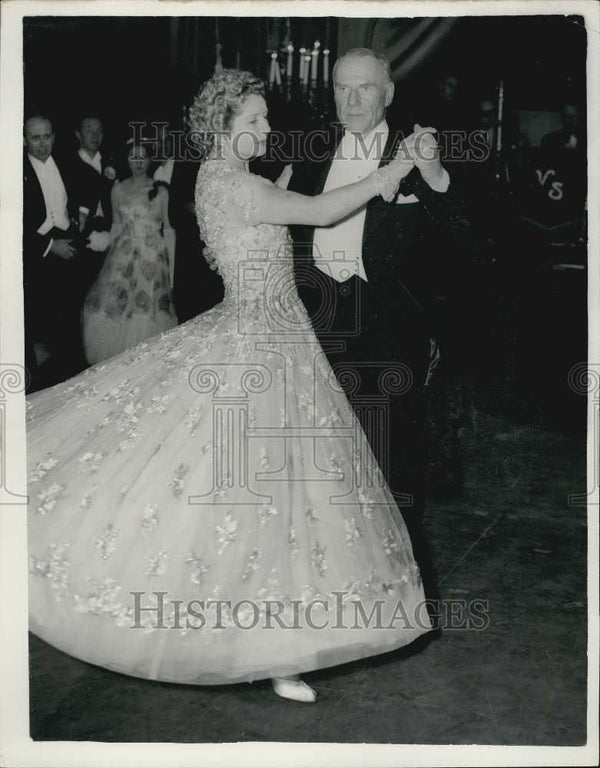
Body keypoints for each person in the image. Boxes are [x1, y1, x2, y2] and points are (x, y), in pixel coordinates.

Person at [27, 69, 431, 704]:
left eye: (266, 120)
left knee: (282, 501)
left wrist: (292, 179)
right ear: (223, 127)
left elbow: (268, 208)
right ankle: (263, 649)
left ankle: (278, 650)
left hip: (273, 336)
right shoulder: (235, 187)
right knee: (261, 499)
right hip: (260, 345)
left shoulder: (221, 179)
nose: (267, 130)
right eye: (255, 122)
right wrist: (397, 166)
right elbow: (322, 212)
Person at [288, 49, 470, 596]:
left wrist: (435, 174)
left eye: (364, 88)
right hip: (315, 324)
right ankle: (322, 587)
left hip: (387, 331)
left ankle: (386, 597)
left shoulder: (414, 151)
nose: (352, 100)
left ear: (388, 93)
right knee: (317, 464)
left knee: (387, 467)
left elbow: (470, 238)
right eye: (343, 88)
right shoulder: (313, 150)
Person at [81, 141, 178, 364]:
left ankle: (144, 365)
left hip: (152, 261)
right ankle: (118, 364)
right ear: (126, 160)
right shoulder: (117, 188)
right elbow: (115, 226)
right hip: (123, 257)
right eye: (133, 157)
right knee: (115, 307)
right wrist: (107, 261)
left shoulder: (161, 190)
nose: (138, 162)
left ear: (150, 160)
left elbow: (169, 231)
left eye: (143, 156)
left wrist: (171, 276)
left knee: (147, 312)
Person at [23, 113, 87, 391]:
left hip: (68, 249)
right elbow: (11, 223)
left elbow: (92, 181)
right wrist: (50, 246)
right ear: (24, 139)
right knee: (42, 330)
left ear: (54, 137)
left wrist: (81, 214)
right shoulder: (13, 171)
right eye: (35, 137)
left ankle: (71, 387)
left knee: (70, 327)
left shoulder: (68, 161)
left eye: (46, 136)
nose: (41, 144)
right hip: (38, 257)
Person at [72, 115, 116, 295]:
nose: (95, 135)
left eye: (99, 131)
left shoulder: (112, 161)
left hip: (111, 234)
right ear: (78, 135)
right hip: (82, 239)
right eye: (89, 130)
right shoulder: (68, 164)